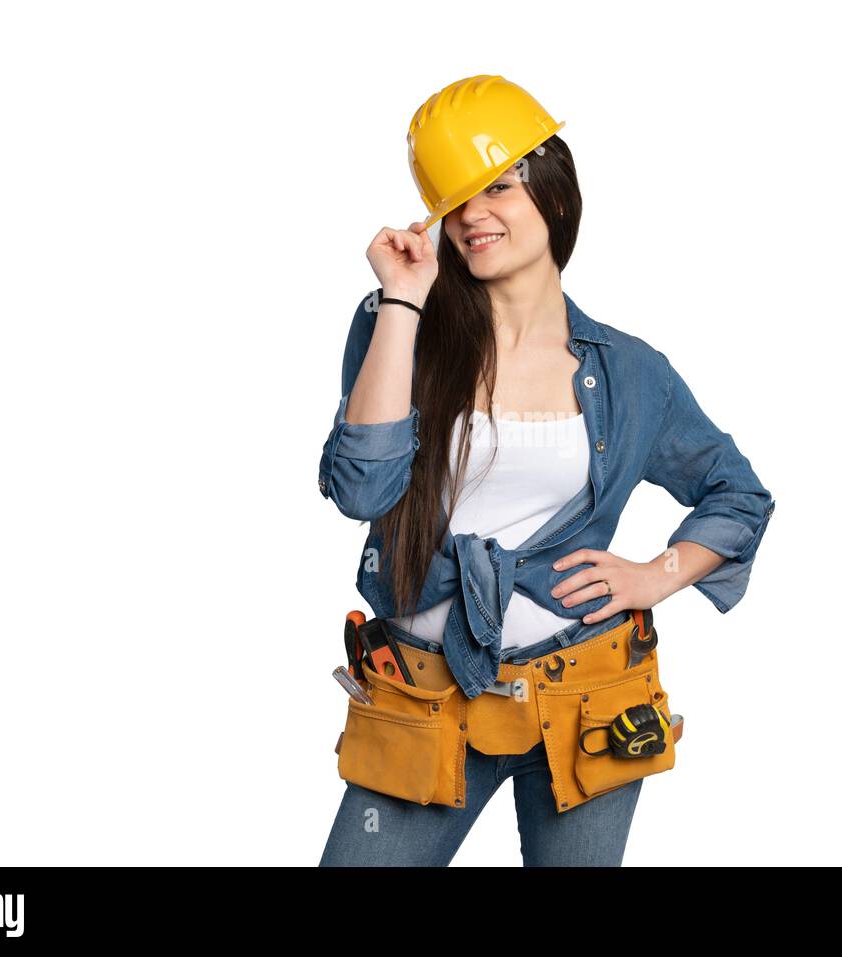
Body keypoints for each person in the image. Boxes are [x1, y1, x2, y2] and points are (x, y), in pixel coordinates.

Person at [317, 76, 774, 866]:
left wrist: (654, 576)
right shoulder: (400, 324)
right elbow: (362, 487)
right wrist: (402, 299)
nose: (474, 213)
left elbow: (737, 493)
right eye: (457, 197)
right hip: (422, 700)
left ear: (554, 195)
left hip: (587, 700)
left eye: (499, 184)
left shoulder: (631, 373)